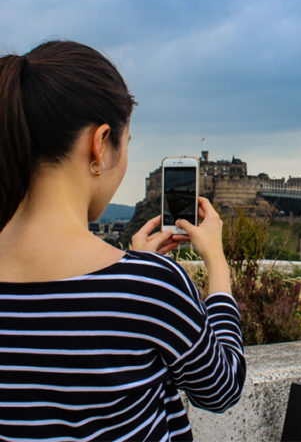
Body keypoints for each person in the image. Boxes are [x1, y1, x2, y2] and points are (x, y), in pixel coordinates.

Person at [0, 41, 245, 440]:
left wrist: (130, 263)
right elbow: (222, 388)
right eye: (125, 144)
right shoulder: (150, 286)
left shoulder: (143, 284)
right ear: (100, 144)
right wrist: (216, 263)